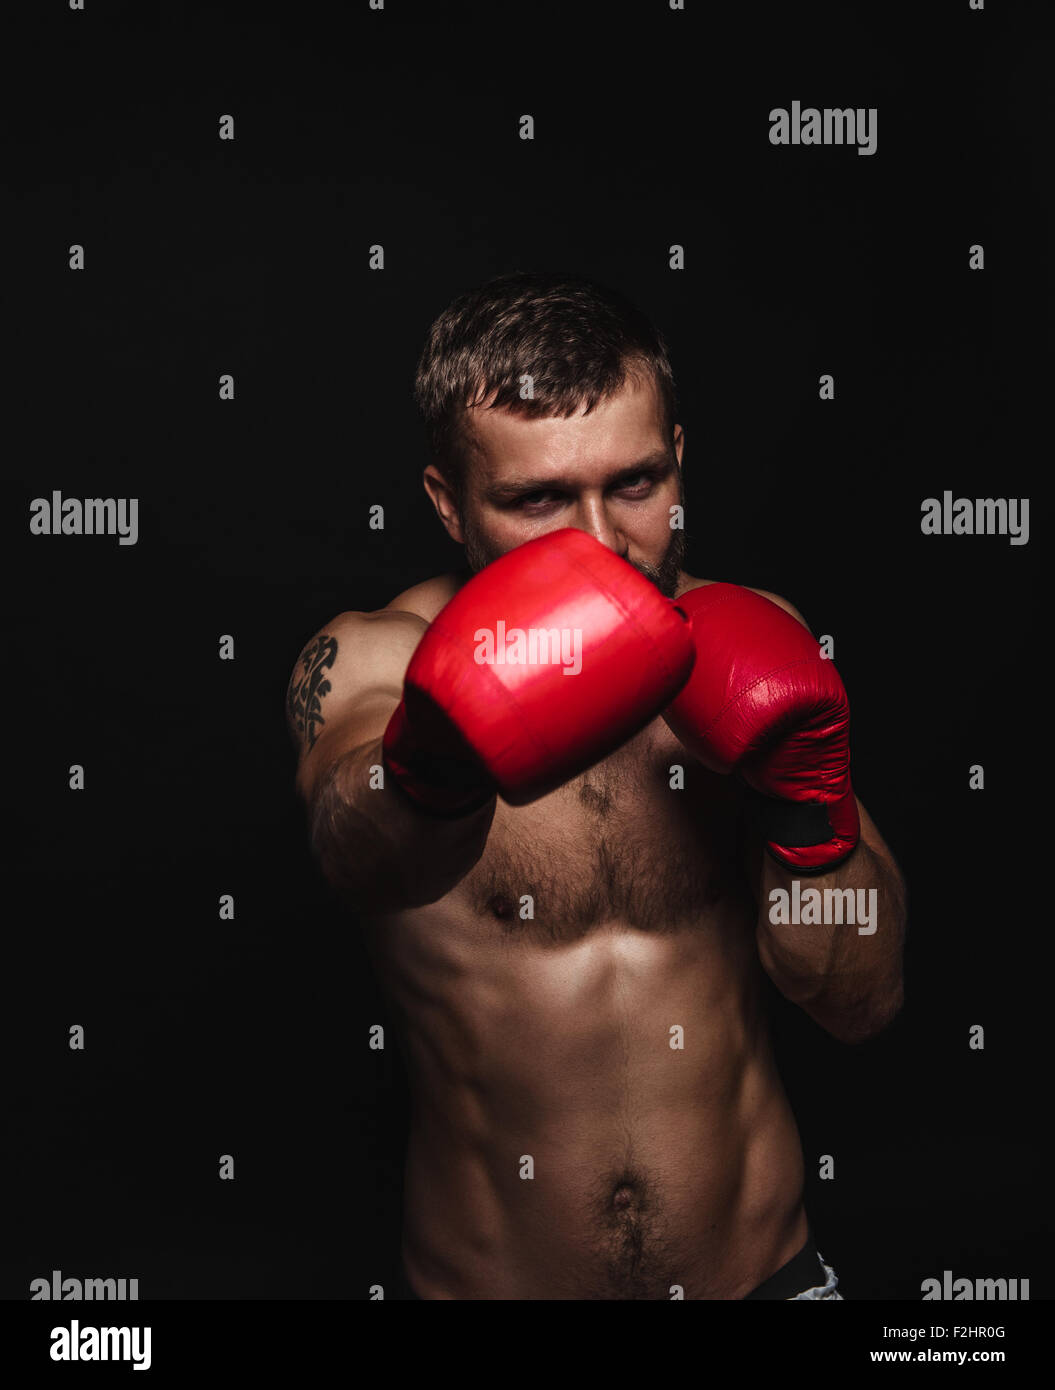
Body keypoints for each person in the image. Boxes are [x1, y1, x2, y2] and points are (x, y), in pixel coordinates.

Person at [285, 271, 906, 1300]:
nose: (600, 544)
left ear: (676, 466)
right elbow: (355, 851)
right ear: (446, 501)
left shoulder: (755, 638)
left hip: (764, 1281)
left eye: (634, 484)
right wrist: (434, 751)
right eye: (535, 499)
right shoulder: (374, 663)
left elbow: (859, 999)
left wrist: (807, 808)